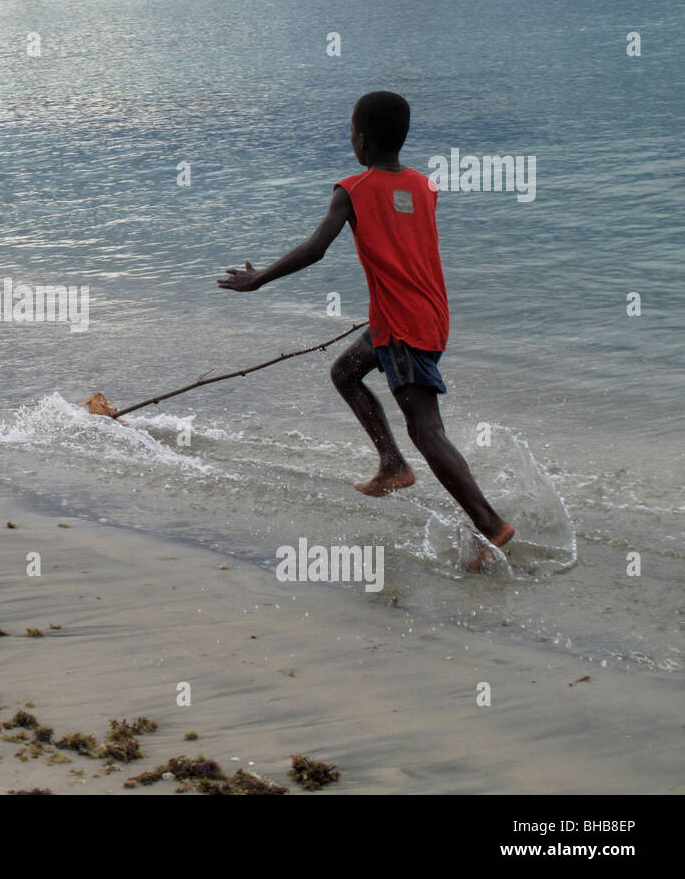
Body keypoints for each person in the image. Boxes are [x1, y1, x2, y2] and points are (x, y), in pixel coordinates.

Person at [217, 91, 514, 570]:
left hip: (401, 326)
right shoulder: (423, 186)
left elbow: (316, 249)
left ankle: (491, 526)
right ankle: (392, 465)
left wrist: (259, 279)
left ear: (361, 139)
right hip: (426, 316)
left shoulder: (352, 189)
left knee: (427, 430)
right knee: (346, 372)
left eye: (351, 132)